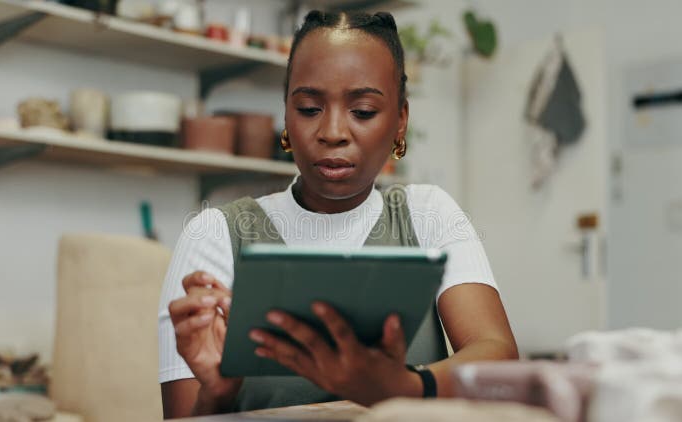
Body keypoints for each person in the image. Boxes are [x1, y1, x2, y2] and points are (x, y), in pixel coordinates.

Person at [158, 10, 518, 418]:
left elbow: (497, 357)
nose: (332, 132)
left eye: (362, 111)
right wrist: (218, 395)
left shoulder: (428, 214)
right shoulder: (215, 234)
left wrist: (405, 387)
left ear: (400, 120)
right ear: (286, 117)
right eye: (310, 108)